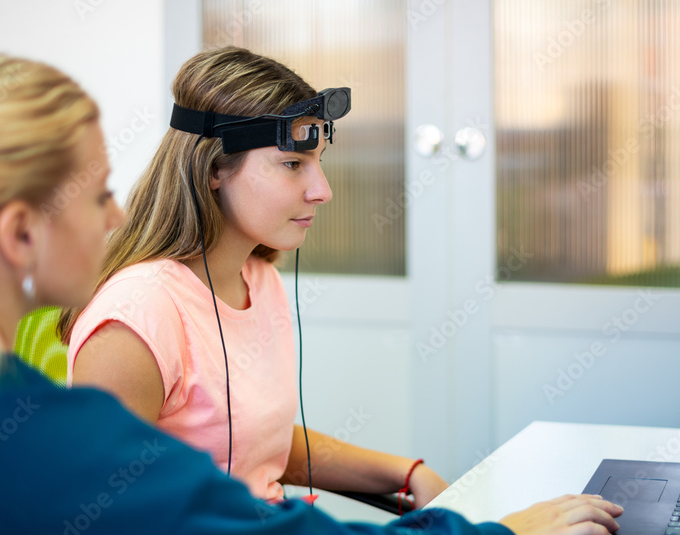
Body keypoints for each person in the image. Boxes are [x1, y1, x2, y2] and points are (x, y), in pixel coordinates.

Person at [0, 53, 622, 535]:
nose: (117, 216)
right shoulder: (53, 441)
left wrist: (402, 474)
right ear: (21, 233)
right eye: (97, 195)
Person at [61, 46, 449, 507]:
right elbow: (105, 517)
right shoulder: (137, 319)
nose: (322, 190)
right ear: (213, 171)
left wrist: (407, 473)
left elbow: (260, 441)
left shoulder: (258, 280)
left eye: (318, 161)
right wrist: (260, 534)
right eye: (293, 164)